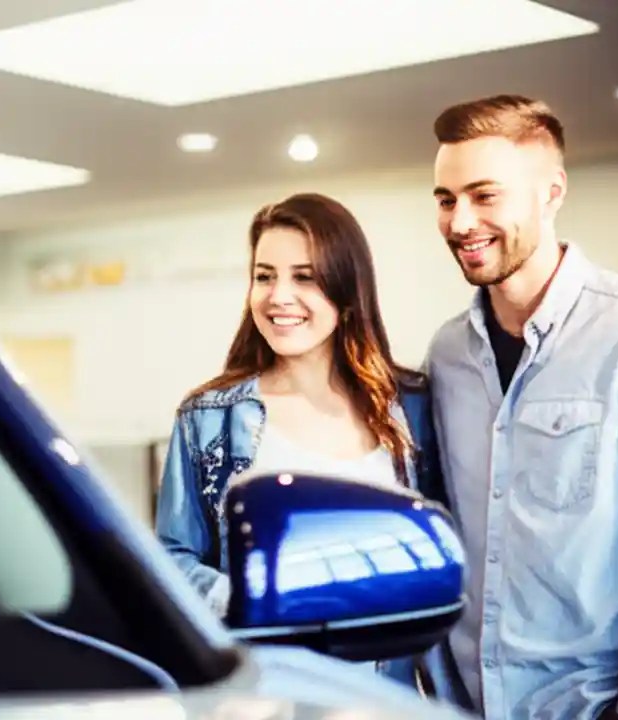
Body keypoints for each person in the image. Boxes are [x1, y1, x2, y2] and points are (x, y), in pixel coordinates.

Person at [425, 94, 618, 720]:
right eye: (445, 198)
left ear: (552, 193)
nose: (460, 221)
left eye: (485, 196)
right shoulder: (446, 355)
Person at [153, 192, 444, 684]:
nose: (278, 296)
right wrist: (259, 602)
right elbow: (171, 561)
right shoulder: (208, 418)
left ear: (347, 289)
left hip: (384, 701)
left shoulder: (412, 407)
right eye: (264, 276)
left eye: (304, 276)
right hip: (267, 694)